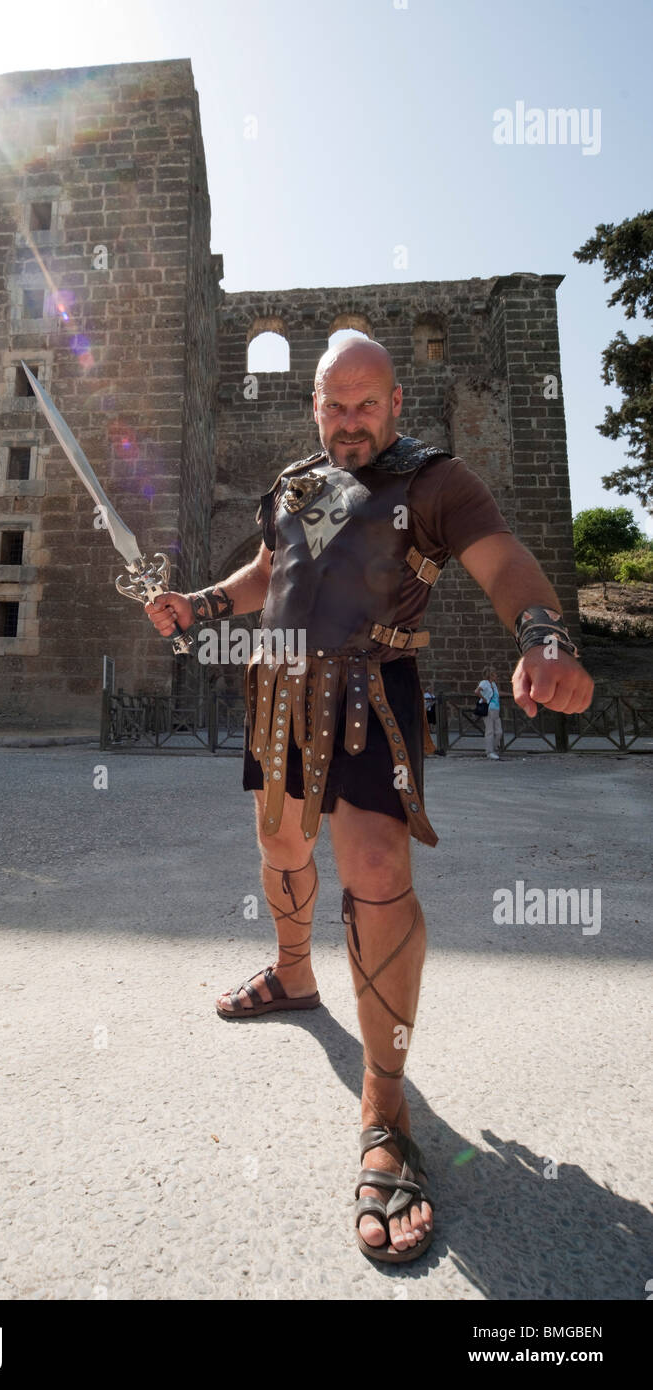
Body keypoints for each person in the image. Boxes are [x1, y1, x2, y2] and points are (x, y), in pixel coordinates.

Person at [145, 338, 593, 1263]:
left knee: (379, 869)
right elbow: (270, 571)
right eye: (334, 405)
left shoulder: (435, 482)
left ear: (394, 402)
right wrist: (201, 605)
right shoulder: (301, 485)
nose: (349, 421)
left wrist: (544, 637)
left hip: (371, 694)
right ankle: (293, 974)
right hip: (279, 691)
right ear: (315, 406)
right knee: (279, 849)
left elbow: (503, 560)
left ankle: (386, 1114)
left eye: (366, 404)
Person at [475, 668, 503, 759]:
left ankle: (493, 749)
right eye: (495, 674)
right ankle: (489, 752)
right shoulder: (484, 683)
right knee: (490, 731)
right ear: (490, 675)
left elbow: (497, 694)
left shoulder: (494, 684)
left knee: (499, 732)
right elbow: (476, 691)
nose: (496, 676)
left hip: (496, 709)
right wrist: (483, 699)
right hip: (488, 709)